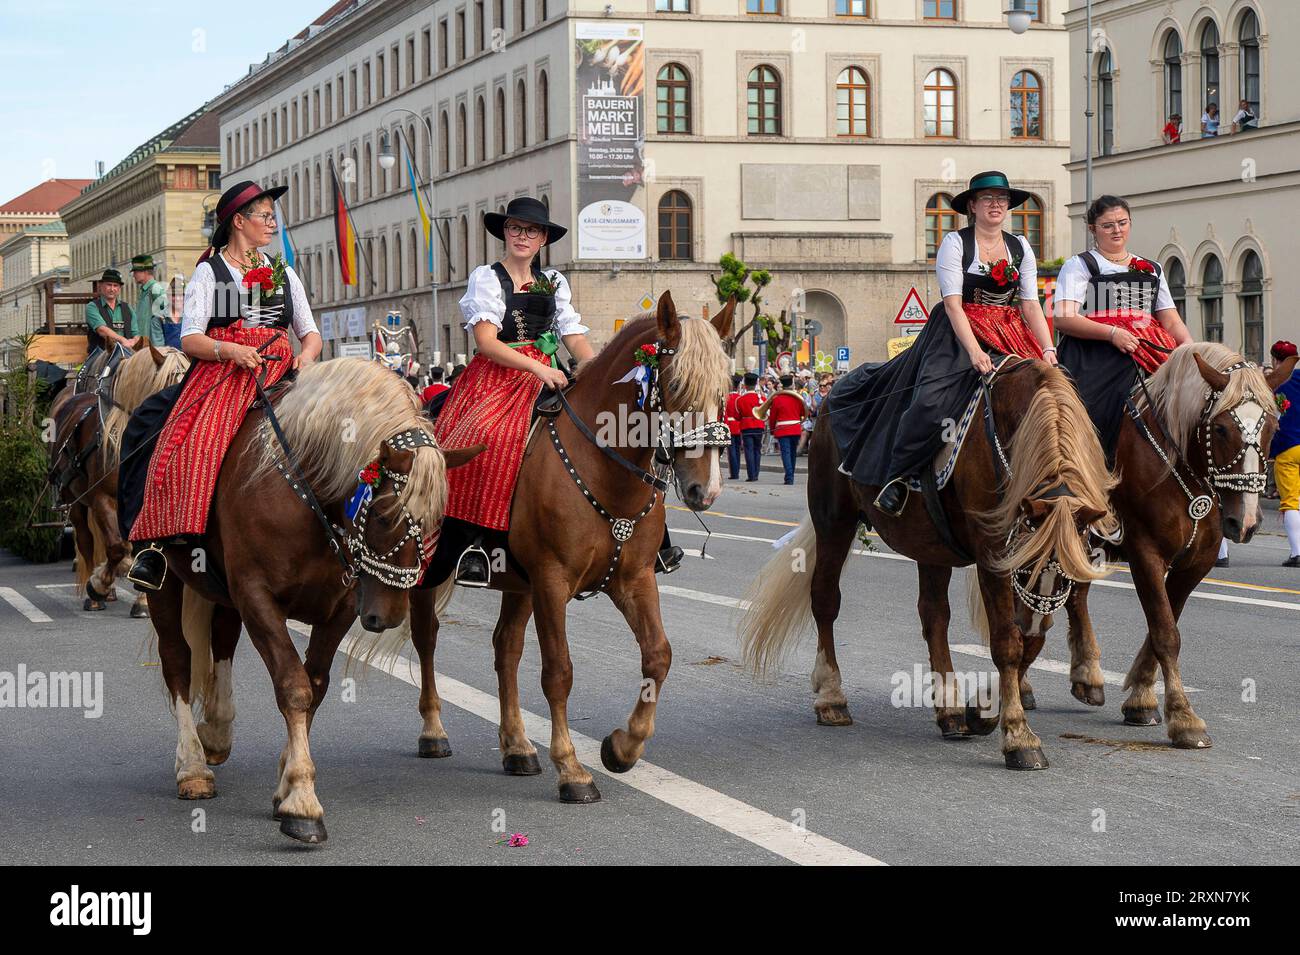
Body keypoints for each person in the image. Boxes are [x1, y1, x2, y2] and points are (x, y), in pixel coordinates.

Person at [432, 196, 681, 584]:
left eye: (531, 231)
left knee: (616, 427)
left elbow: (573, 335)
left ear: (543, 239)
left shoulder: (554, 282)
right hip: (499, 376)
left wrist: (593, 368)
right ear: (505, 232)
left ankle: (655, 540)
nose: (522, 236)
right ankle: (476, 543)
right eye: (515, 228)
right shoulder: (487, 278)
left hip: (550, 373)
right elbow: (487, 342)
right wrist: (536, 366)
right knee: (487, 436)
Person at [124, 180, 322, 589]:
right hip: (227, 372)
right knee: (191, 439)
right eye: (265, 216)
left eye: (273, 217)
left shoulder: (282, 271)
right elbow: (191, 337)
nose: (272, 224)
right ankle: (161, 543)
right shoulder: (209, 272)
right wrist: (229, 350)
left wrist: (306, 356)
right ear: (238, 221)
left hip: (283, 370)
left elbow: (310, 332)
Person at [829, 171, 1056, 516]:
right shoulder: (956, 243)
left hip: (1010, 332)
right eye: (987, 199)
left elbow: (1029, 304)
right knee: (931, 403)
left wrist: (1049, 350)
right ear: (973, 207)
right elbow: (953, 304)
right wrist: (975, 352)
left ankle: (1062, 484)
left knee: (1055, 398)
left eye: (1002, 199)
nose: (996, 205)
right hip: (958, 332)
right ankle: (899, 477)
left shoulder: (1020, 246)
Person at [1054, 195, 1193, 463]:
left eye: (1122, 223)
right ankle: (1091, 463)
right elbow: (1063, 318)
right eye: (1108, 225)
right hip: (1097, 352)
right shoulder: (1081, 265)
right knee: (1092, 408)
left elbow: (1171, 319)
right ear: (1093, 229)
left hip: (1150, 348)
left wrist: (1188, 347)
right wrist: (1112, 334)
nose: (1117, 230)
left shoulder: (1152, 268)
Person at [1269, 340, 1300, 567]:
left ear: (1274, 359)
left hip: (1288, 448)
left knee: (1291, 502)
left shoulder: (1271, 383)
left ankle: (1297, 552)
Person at [756, 374, 806, 485]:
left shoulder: (777, 399)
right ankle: (791, 474)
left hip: (783, 430)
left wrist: (773, 429)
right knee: (792, 453)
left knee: (786, 454)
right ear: (792, 384)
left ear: (782, 385)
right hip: (795, 429)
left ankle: (789, 477)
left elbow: (773, 416)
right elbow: (803, 413)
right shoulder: (798, 397)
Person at [84, 268, 137, 352]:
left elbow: (135, 333)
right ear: (100, 285)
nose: (112, 289)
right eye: (109, 285)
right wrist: (123, 340)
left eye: (115, 285)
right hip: (101, 356)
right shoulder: (92, 307)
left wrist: (134, 340)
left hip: (126, 354)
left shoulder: (128, 308)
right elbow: (102, 330)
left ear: (119, 288)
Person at [131, 254, 168, 347]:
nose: (133, 275)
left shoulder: (155, 289)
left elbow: (165, 316)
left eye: (135, 271)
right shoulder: (145, 290)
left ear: (145, 272)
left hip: (153, 346)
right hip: (144, 345)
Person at [736, 371, 765, 481]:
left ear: (746, 385)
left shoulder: (740, 399)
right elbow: (766, 413)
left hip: (746, 427)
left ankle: (751, 475)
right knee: (757, 450)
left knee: (749, 451)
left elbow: (738, 416)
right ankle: (756, 473)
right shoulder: (761, 398)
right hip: (759, 426)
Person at [724, 373, 743, 480]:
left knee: (731, 452)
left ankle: (734, 473)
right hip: (739, 426)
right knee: (737, 451)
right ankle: (737, 471)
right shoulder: (740, 398)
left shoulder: (726, 398)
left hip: (729, 426)